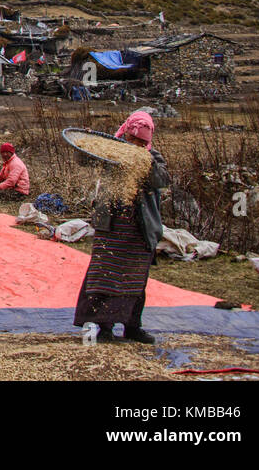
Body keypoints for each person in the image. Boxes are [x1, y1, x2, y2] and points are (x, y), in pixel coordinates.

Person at [74, 110, 170, 345]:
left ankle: (132, 326)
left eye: (141, 142)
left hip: (139, 229)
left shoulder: (152, 157)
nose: (135, 144)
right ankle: (104, 326)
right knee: (105, 276)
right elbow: (85, 159)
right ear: (125, 133)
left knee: (134, 279)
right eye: (132, 139)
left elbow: (162, 180)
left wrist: (144, 160)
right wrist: (84, 142)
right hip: (112, 226)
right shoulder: (111, 150)